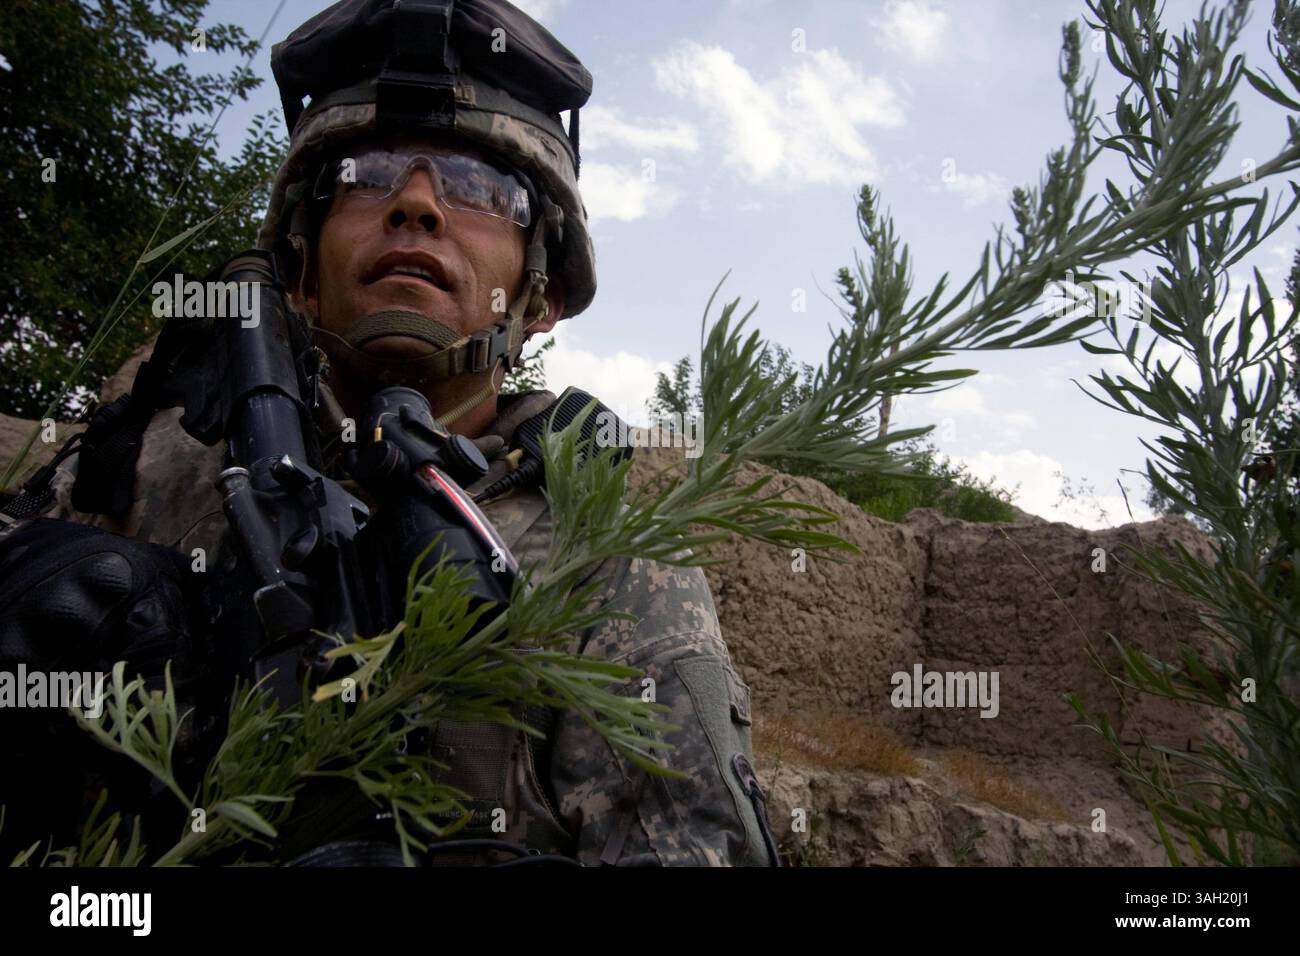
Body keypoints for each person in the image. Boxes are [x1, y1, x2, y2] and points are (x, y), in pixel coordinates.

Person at [0, 0, 780, 867]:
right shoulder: (140, 473)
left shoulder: (613, 566)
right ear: (299, 270)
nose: (414, 204)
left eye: (482, 188)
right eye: (363, 176)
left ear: (541, 296)